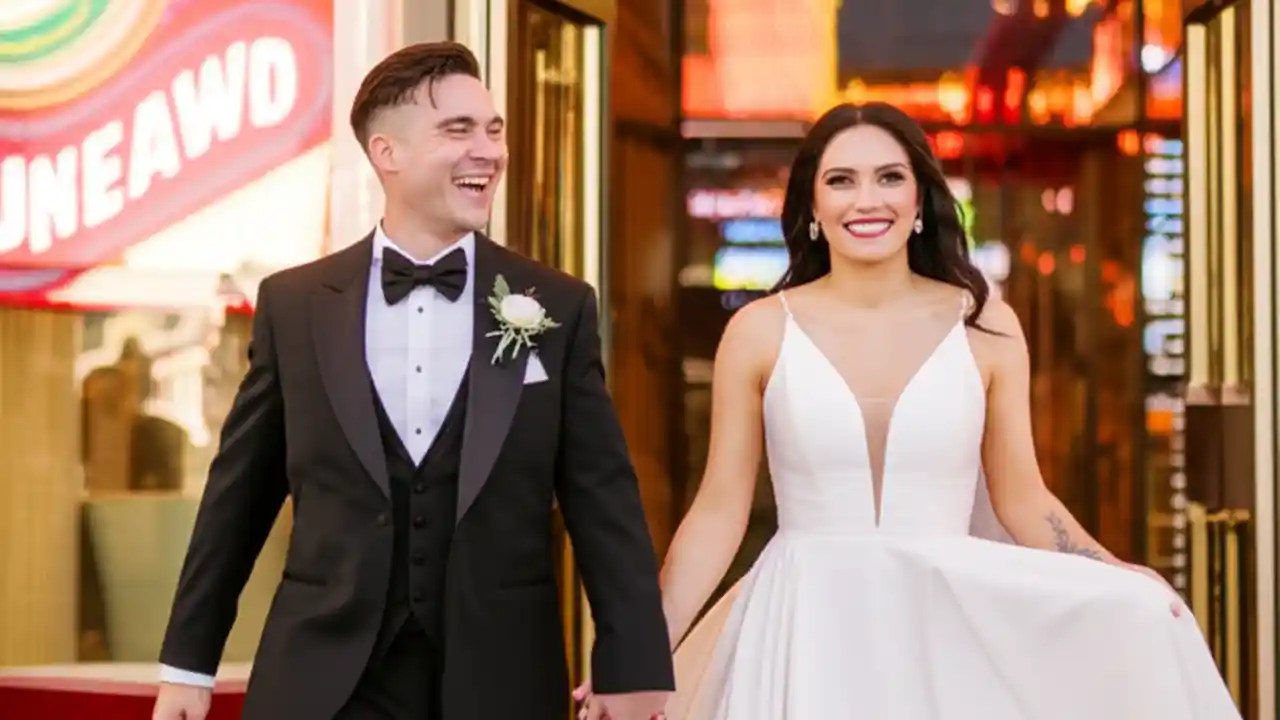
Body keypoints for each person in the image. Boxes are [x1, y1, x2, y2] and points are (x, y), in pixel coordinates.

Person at [579, 102, 1241, 719]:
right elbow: (719, 513)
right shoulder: (759, 330)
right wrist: (634, 648)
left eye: (889, 177)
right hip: (805, 622)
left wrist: (1122, 575)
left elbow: (1024, 500)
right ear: (812, 203)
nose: (867, 200)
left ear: (919, 197)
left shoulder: (987, 324)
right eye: (841, 180)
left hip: (946, 622)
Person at [152, 42, 673, 720]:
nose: (488, 150)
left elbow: (602, 498)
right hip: (324, 681)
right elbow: (237, 500)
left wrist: (632, 663)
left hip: (502, 676)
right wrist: (187, 667)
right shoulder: (296, 305)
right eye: (458, 131)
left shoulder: (557, 305)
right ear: (385, 154)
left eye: (493, 130)